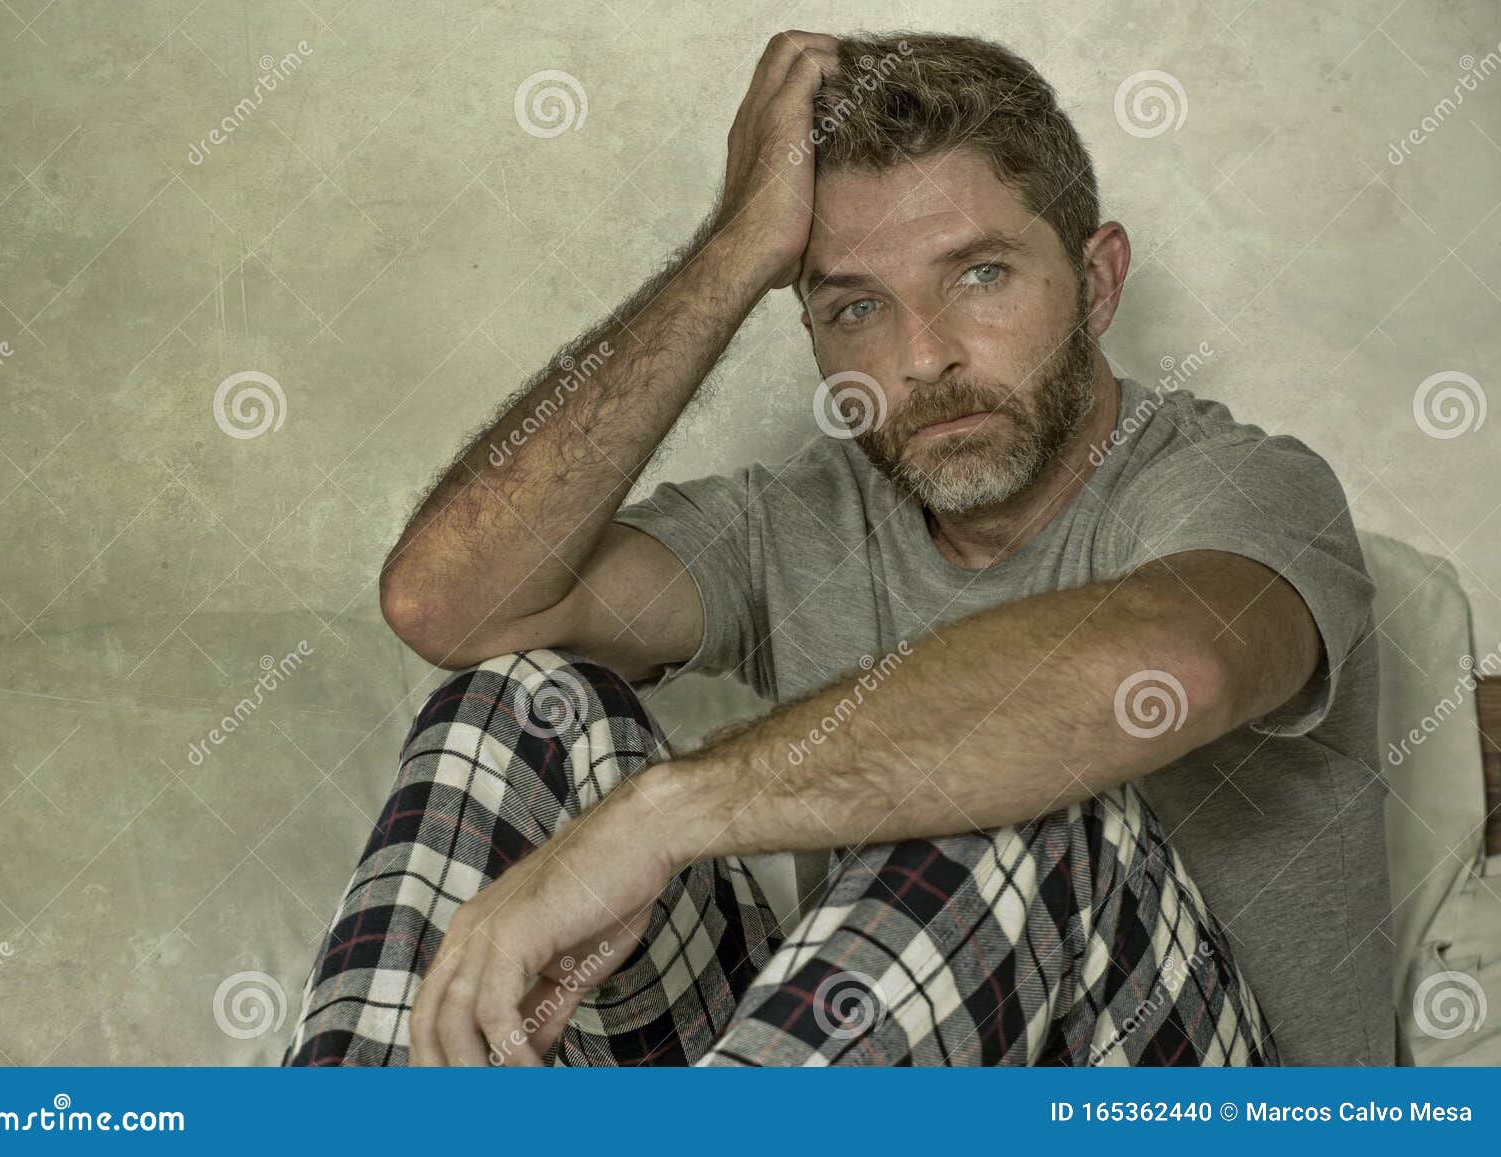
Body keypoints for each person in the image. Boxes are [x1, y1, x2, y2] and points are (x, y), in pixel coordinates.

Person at [285, 30, 1388, 1067]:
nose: (922, 357)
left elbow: (1162, 667)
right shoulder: (802, 520)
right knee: (517, 702)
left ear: (1096, 282)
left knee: (1019, 783)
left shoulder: (1239, 483)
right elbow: (449, 607)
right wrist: (729, 255)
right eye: (855, 306)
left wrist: (662, 815)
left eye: (979, 276)